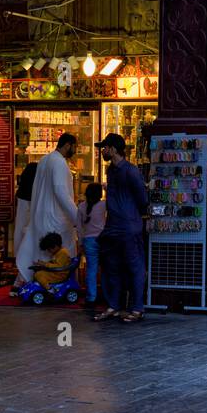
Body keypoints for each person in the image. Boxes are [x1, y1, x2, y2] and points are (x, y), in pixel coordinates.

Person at [94, 133, 148, 324]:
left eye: (105, 148)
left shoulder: (130, 171)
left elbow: (142, 198)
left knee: (134, 267)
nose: (103, 151)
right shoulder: (111, 171)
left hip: (128, 226)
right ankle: (114, 305)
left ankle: (137, 308)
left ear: (114, 149)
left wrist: (133, 215)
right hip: (113, 226)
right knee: (112, 267)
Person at [16, 133, 78, 283]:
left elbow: (37, 188)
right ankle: (53, 282)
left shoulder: (45, 160)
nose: (75, 151)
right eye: (75, 147)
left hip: (42, 215)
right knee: (55, 253)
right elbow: (61, 192)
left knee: (40, 250)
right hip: (56, 217)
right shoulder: (59, 163)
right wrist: (76, 216)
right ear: (68, 145)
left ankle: (32, 280)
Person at [10, 160, 38, 297]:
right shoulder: (36, 196)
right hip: (30, 231)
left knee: (22, 253)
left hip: (21, 231)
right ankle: (21, 282)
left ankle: (18, 283)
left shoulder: (21, 195)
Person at [76, 181, 106, 307]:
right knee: (106, 269)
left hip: (89, 240)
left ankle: (91, 298)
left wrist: (81, 243)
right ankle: (106, 296)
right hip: (103, 239)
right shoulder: (104, 204)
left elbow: (79, 227)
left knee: (91, 270)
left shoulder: (81, 206)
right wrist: (107, 188)